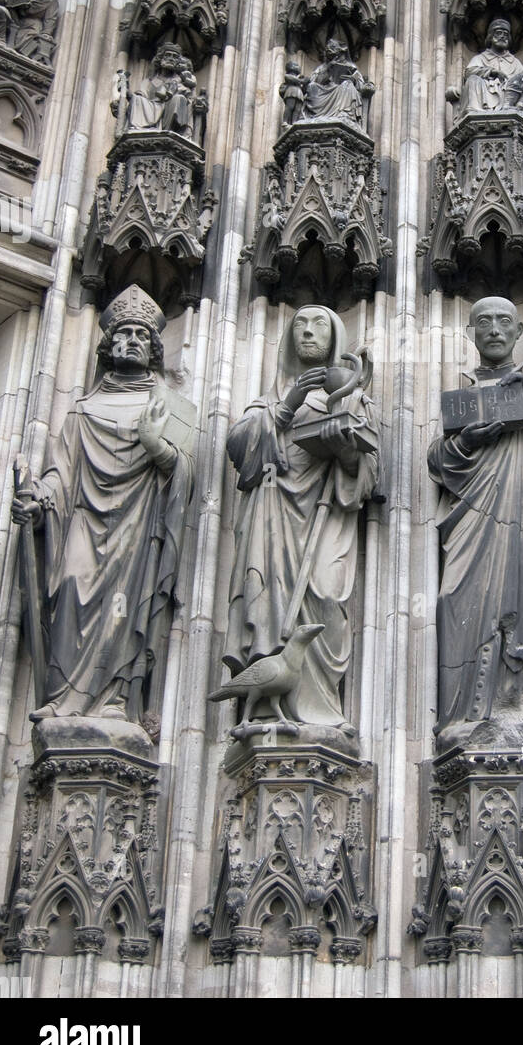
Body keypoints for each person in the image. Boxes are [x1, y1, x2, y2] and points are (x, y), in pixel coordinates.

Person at [11, 286, 194, 724]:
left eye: (139, 335)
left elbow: (185, 472)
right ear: (108, 345)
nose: (130, 341)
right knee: (72, 584)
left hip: (137, 524)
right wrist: (39, 503)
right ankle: (63, 697)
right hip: (83, 521)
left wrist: (156, 446)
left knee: (123, 606)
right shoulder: (81, 409)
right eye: (122, 334)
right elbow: (61, 473)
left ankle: (114, 699)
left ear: (153, 348)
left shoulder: (168, 407)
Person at [223, 306, 379, 733]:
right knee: (269, 598)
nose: (309, 332)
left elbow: (367, 477)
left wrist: (344, 449)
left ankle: (322, 710)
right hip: (272, 515)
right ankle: (264, 710)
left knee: (328, 596)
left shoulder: (350, 398)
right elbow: (240, 449)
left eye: (320, 325)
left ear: (336, 337)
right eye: (300, 325)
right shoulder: (269, 399)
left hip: (326, 517)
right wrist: (286, 408)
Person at [428, 296, 523, 747]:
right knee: (456, 599)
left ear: (519, 330)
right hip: (469, 516)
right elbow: (438, 460)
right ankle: (459, 716)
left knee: (514, 597)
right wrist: (467, 440)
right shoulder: (463, 397)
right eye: (483, 321)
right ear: (470, 332)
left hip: (517, 510)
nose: (493, 329)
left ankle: (512, 704)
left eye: (504, 321)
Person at [449, 18, 523, 117]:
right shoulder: (481, 58)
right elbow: (469, 72)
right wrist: (492, 72)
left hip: (509, 97)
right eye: (498, 33)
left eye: (506, 34)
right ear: (491, 36)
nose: (502, 36)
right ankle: (475, 111)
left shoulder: (515, 62)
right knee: (473, 80)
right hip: (485, 96)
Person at [296, 38, 370, 126]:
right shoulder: (322, 68)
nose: (328, 49)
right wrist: (328, 68)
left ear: (340, 51)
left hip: (342, 90)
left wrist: (353, 80)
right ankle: (318, 116)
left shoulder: (351, 67)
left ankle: (344, 113)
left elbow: (361, 87)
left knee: (347, 85)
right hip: (324, 90)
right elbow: (314, 81)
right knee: (312, 86)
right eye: (327, 48)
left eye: (332, 47)